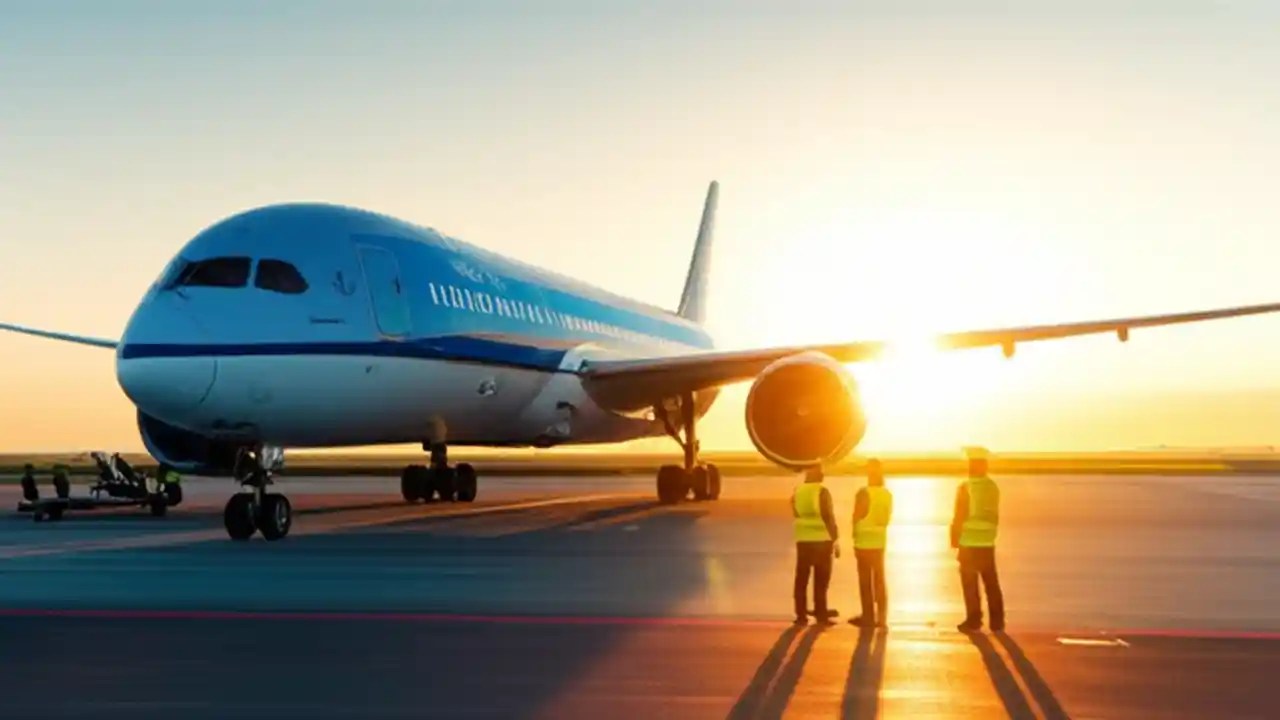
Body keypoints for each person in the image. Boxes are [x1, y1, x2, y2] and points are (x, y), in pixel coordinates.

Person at [951, 453, 1005, 632]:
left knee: (970, 583)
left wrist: (954, 538)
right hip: (987, 540)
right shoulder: (992, 487)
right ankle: (997, 621)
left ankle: (974, 619)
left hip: (969, 540)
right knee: (991, 581)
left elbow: (959, 514)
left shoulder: (966, 487)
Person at [792, 465, 839, 625]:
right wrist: (835, 539)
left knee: (801, 579)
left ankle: (800, 615)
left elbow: (795, 512)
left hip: (803, 540)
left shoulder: (798, 491)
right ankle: (821, 614)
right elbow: (828, 516)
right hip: (822, 540)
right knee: (821, 580)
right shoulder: (822, 492)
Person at [850, 458, 892, 628]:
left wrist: (853, 532)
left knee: (865, 581)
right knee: (879, 579)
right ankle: (881, 616)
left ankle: (868, 615)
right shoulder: (886, 494)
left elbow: (857, 515)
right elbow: (887, 517)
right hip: (879, 541)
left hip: (864, 542)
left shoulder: (864, 493)